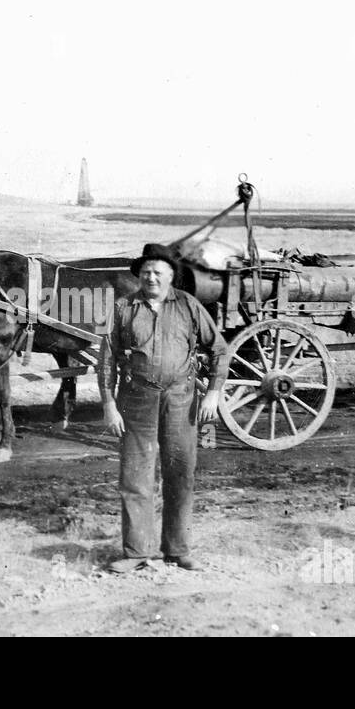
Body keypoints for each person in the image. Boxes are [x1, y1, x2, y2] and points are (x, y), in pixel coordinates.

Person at [98, 243, 226, 573]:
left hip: (180, 401)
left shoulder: (188, 306)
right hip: (136, 401)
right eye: (145, 272)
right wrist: (109, 405)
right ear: (139, 276)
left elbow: (220, 351)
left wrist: (213, 393)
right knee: (134, 478)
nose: (151, 277)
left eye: (158, 272)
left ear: (170, 276)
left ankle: (178, 549)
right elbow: (106, 360)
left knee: (179, 474)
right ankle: (136, 552)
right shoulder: (124, 308)